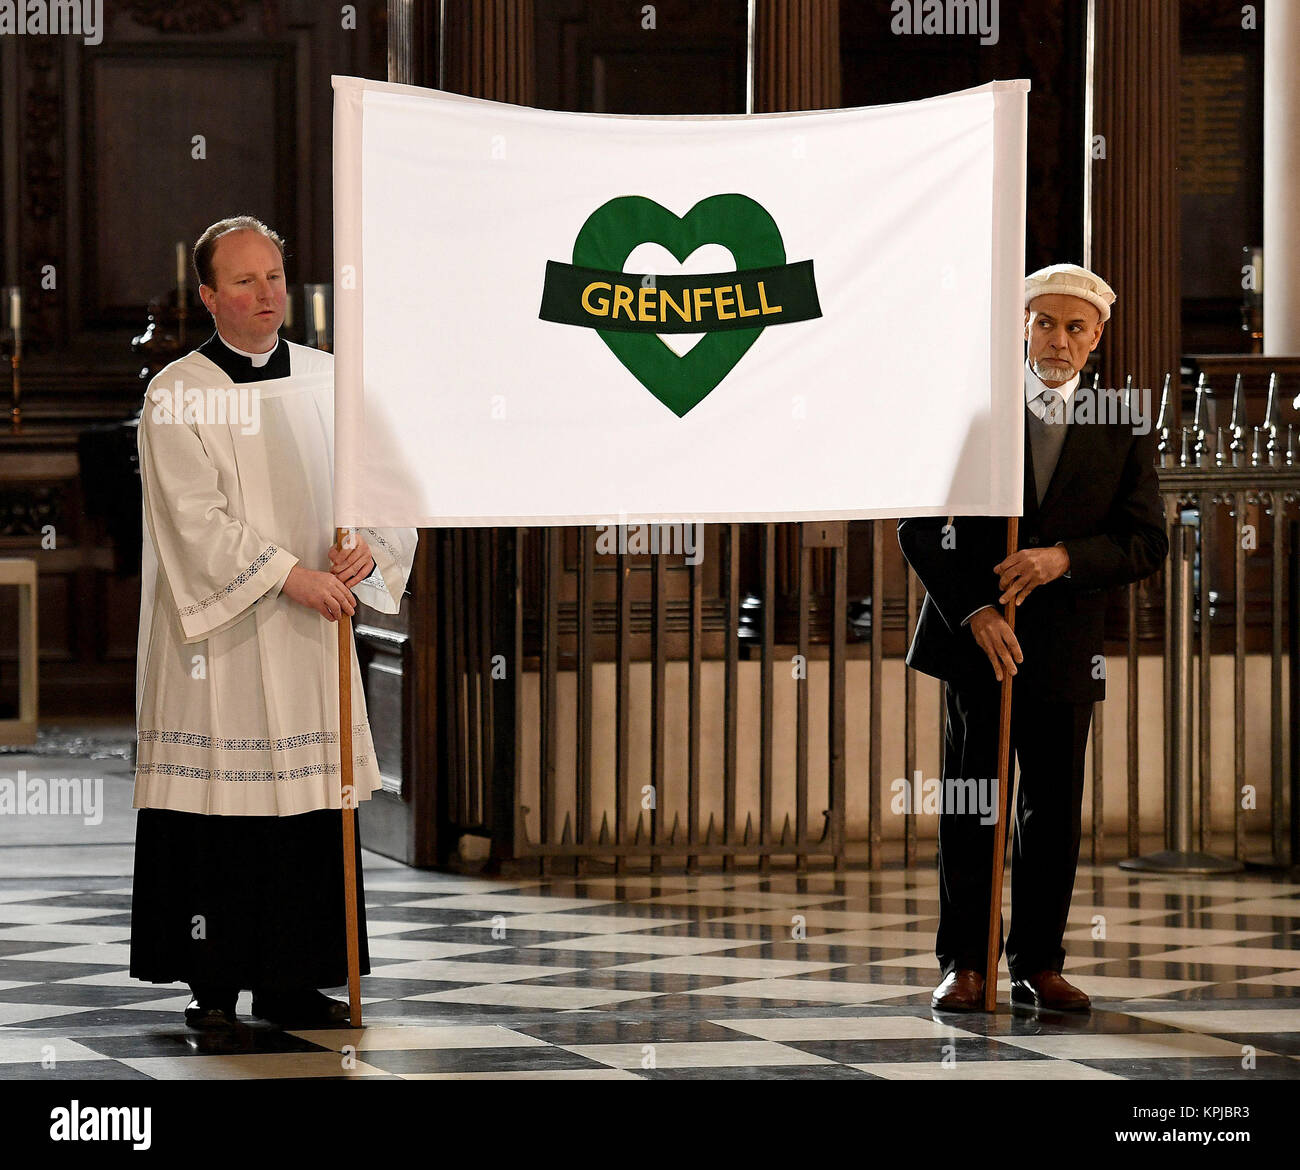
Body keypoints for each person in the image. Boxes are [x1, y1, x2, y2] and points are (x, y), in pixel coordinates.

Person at [128, 216, 418, 1030]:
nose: (267, 295)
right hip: (218, 644)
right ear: (208, 294)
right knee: (220, 813)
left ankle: (297, 977)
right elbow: (195, 520)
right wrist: (293, 578)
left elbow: (388, 487)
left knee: (306, 812)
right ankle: (212, 983)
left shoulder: (332, 382)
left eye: (276, 278)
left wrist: (370, 551)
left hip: (309, 637)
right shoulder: (177, 392)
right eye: (246, 281)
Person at [898, 263, 1167, 1013]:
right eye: (1044, 322)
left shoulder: (1121, 421)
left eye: (1074, 327)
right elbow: (919, 524)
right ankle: (966, 962)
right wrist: (976, 609)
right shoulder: (977, 411)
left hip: (1062, 646)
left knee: (1051, 809)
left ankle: (1037, 963)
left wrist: (1062, 560)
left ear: (1097, 336)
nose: (1057, 338)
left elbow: (1146, 542)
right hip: (976, 639)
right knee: (972, 801)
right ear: (1021, 324)